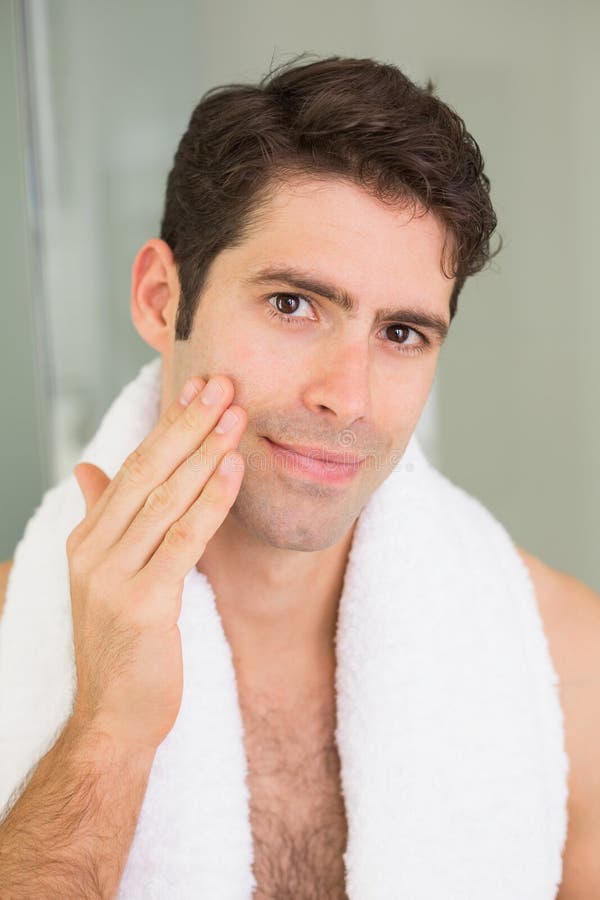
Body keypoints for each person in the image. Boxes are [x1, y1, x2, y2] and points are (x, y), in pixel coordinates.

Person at [0, 53, 599, 899]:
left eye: (401, 334)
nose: (346, 399)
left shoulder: (568, 665)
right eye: (292, 304)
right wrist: (107, 734)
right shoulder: (7, 646)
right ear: (161, 300)